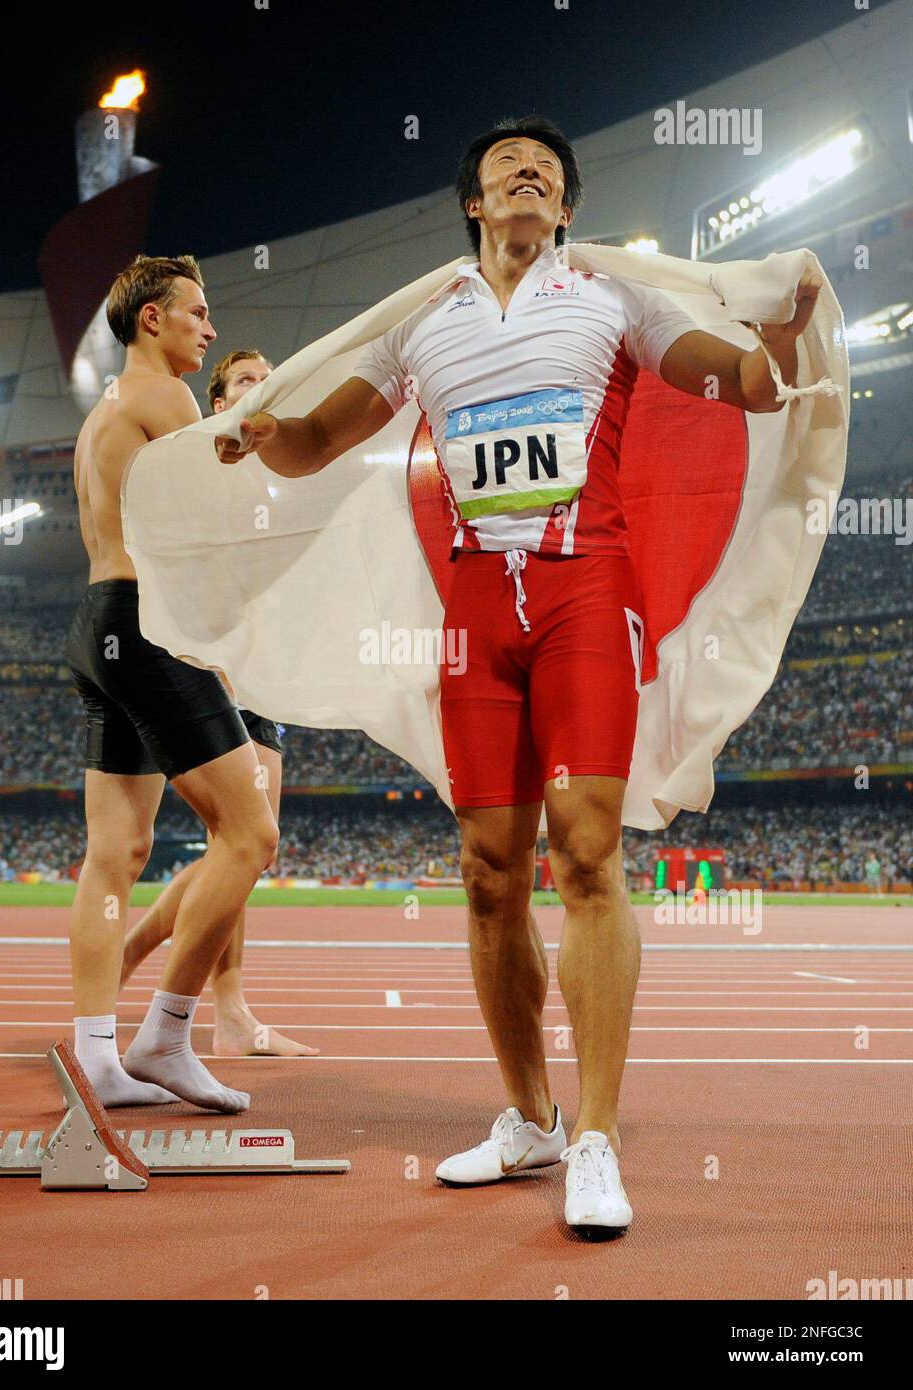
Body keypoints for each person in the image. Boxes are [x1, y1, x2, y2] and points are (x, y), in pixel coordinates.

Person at [214, 114, 821, 1232]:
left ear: (566, 207)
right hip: (474, 614)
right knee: (489, 869)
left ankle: (596, 1136)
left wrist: (777, 342)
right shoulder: (422, 324)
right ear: (475, 204)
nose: (527, 175)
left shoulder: (610, 297)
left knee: (585, 851)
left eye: (545, 170)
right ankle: (529, 1119)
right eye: (505, 169)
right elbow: (312, 443)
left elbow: (736, 381)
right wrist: (257, 435)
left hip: (588, 592)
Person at [66, 255, 279, 1111]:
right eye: (197, 312)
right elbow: (214, 527)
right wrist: (256, 446)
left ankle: (94, 1057)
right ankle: (165, 1033)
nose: (211, 326)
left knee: (115, 856)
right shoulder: (167, 398)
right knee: (251, 834)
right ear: (152, 320)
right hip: (146, 627)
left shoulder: (103, 417)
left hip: (96, 622)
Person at [120, 349, 317, 1059]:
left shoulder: (289, 474)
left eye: (268, 380)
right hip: (219, 665)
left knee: (244, 848)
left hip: (269, 672)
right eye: (242, 380)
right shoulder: (206, 464)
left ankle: (215, 1002)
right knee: (243, 838)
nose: (257, 387)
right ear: (217, 399)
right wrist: (211, 657)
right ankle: (197, 994)